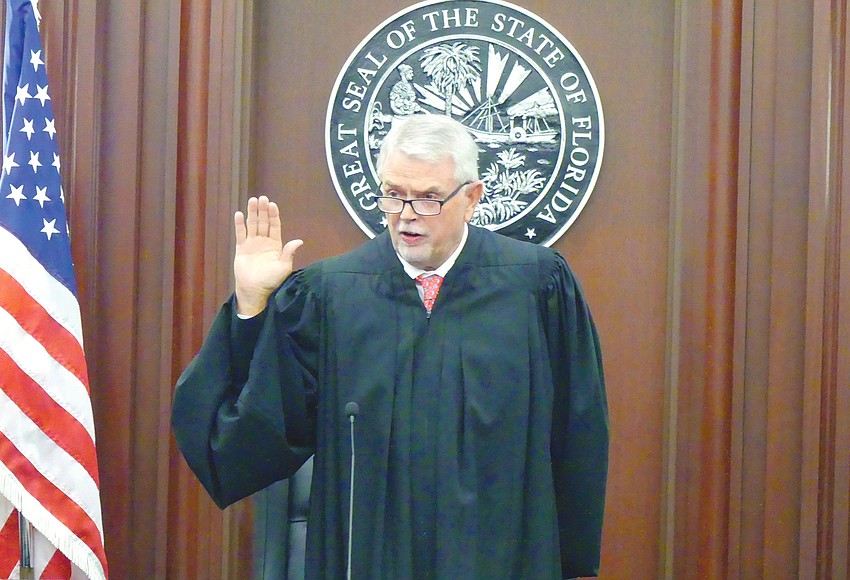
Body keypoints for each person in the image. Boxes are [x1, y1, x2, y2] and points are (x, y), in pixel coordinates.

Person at [172, 114, 608, 578]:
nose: (406, 215)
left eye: (427, 199)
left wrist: (566, 557)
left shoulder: (536, 286)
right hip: (369, 555)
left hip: (499, 550)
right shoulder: (330, 294)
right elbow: (261, 425)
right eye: (394, 194)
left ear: (471, 198)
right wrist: (252, 306)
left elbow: (576, 429)